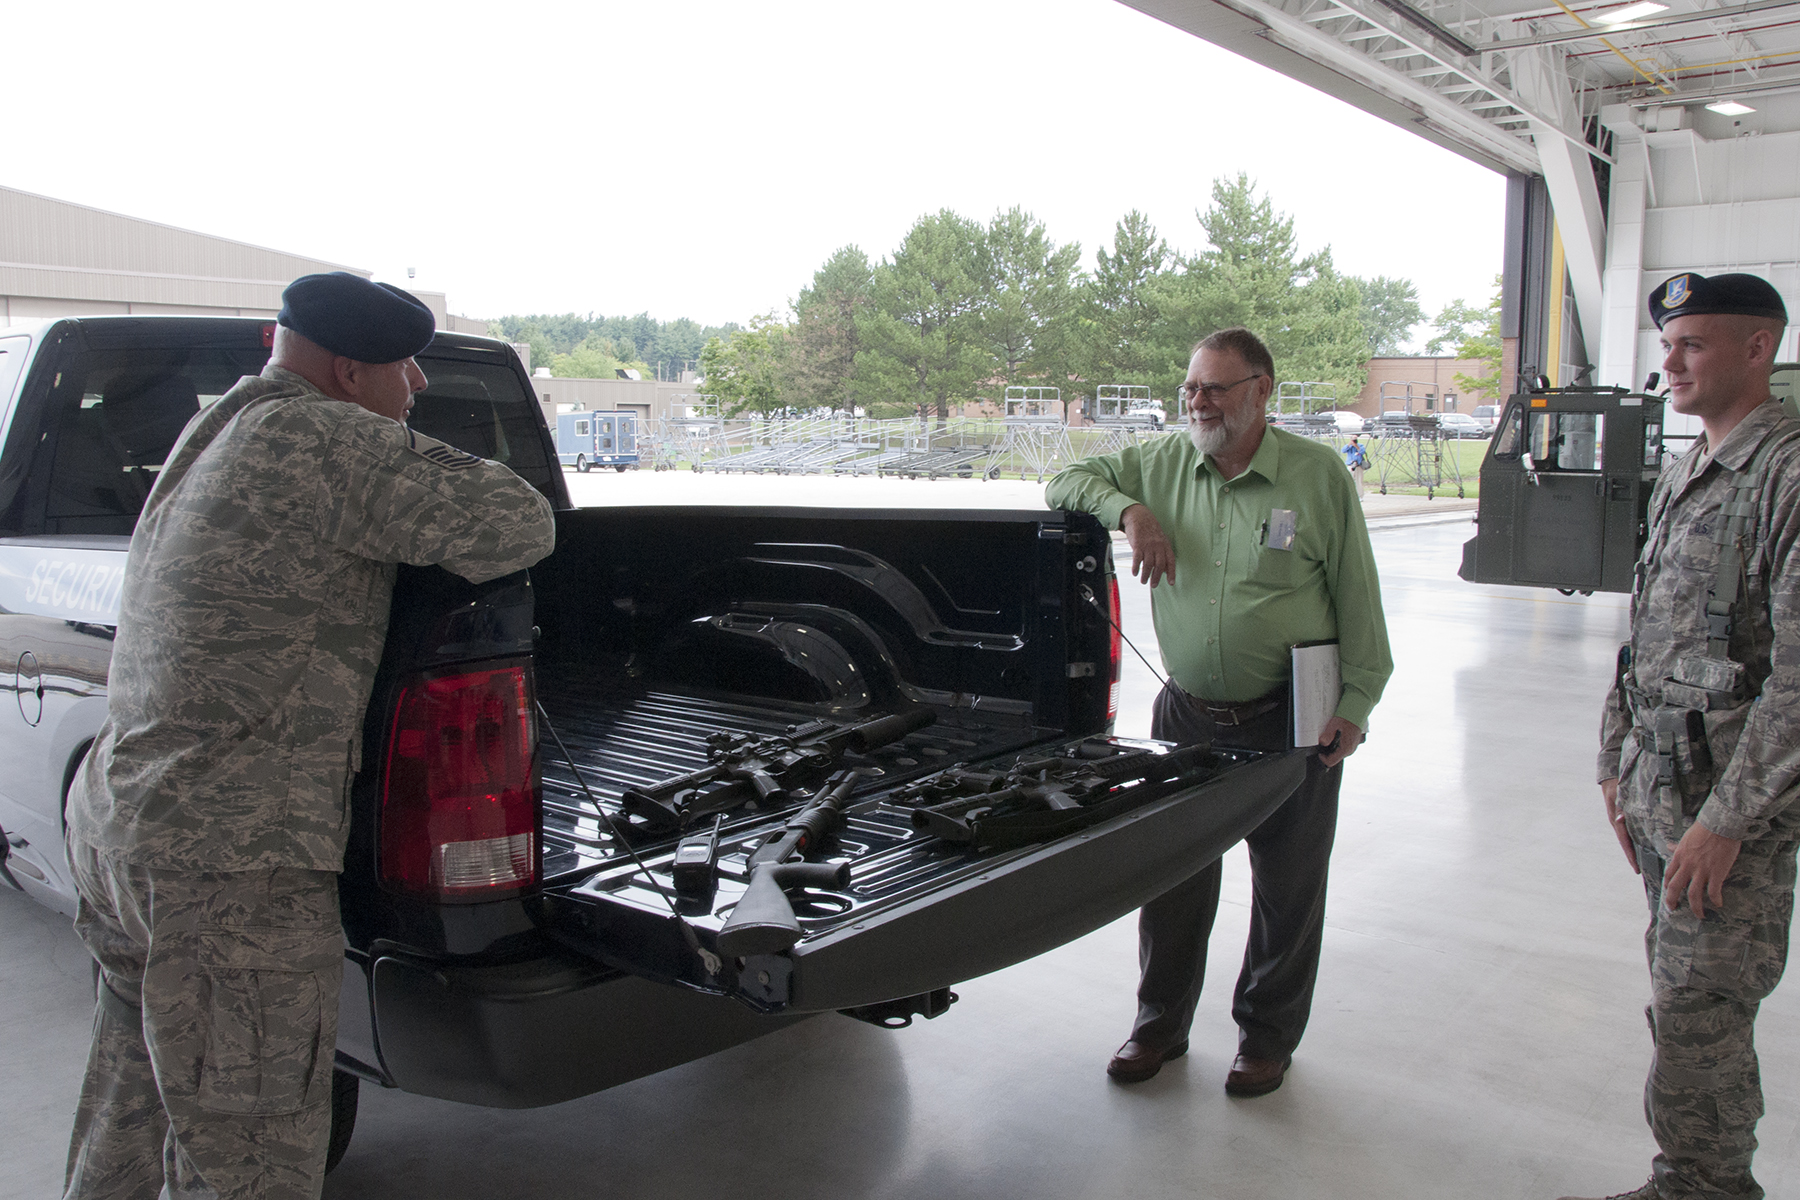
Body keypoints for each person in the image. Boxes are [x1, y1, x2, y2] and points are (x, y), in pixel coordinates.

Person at [62, 272, 558, 1200]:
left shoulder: (219, 426)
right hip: (231, 865)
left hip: (125, 827)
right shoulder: (325, 439)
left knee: (132, 1102)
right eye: (402, 366)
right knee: (247, 1150)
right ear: (347, 372)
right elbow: (516, 522)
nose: (415, 385)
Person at [1045, 326, 1392, 1096]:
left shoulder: (1316, 475)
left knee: (1287, 888)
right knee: (1171, 877)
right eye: (1191, 388)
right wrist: (1131, 511)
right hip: (1186, 717)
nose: (1198, 401)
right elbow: (1065, 482)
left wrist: (1358, 702)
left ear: (1261, 391)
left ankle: (1265, 1037)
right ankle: (1159, 1026)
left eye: (1216, 388)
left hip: (1292, 717)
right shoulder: (1163, 462)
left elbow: (1359, 599)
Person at [1561, 272, 1796, 1200]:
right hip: (1662, 792)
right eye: (1670, 343)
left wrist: (1727, 821)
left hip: (1728, 816)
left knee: (1704, 1010)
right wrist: (1614, 765)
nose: (1671, 361)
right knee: (1680, 1000)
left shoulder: (1785, 472)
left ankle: (1706, 1187)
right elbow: (1644, 634)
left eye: (1694, 343)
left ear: (1757, 348)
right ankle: (1690, 1180)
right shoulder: (1693, 468)